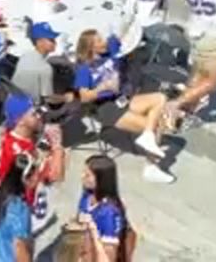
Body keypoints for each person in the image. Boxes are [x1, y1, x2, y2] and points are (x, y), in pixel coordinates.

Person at [72, 30, 174, 183]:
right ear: (91, 48)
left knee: (160, 98)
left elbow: (126, 32)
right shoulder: (85, 68)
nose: (104, 42)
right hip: (106, 108)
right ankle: (151, 166)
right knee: (156, 125)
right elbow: (84, 97)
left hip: (122, 98)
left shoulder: (110, 50)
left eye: (102, 38)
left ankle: (147, 137)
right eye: (99, 41)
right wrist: (103, 87)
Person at [0, 93, 66, 235]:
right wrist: (57, 146)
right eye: (33, 114)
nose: (39, 116)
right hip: (18, 205)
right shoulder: (21, 154)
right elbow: (55, 177)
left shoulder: (13, 135)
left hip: (3, 195)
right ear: (20, 120)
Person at [71, 155, 135, 261]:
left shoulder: (109, 213)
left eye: (88, 175)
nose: (82, 176)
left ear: (101, 179)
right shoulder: (87, 195)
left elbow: (109, 253)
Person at [0, 154, 36, 262]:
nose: (37, 178)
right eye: (35, 175)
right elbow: (19, 246)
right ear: (25, 178)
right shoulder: (20, 210)